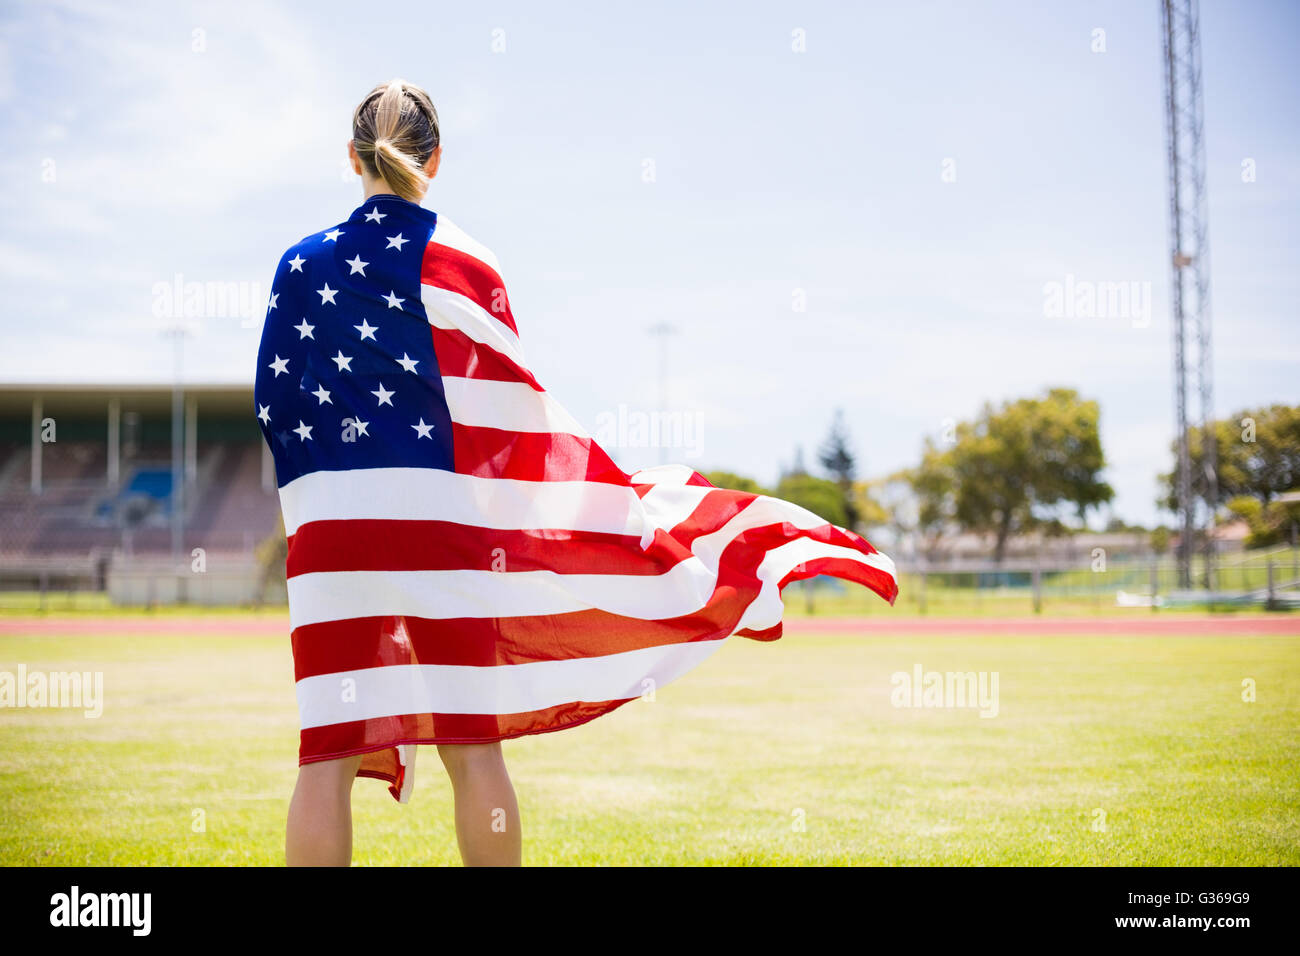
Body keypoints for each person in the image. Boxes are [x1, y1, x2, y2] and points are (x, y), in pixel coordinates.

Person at [254, 79, 897, 868]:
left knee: (324, 756)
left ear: (350, 158)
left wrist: (334, 504)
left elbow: (277, 407)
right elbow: (515, 411)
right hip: (443, 533)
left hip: (334, 538)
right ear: (437, 158)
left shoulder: (298, 264)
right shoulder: (466, 261)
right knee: (473, 745)